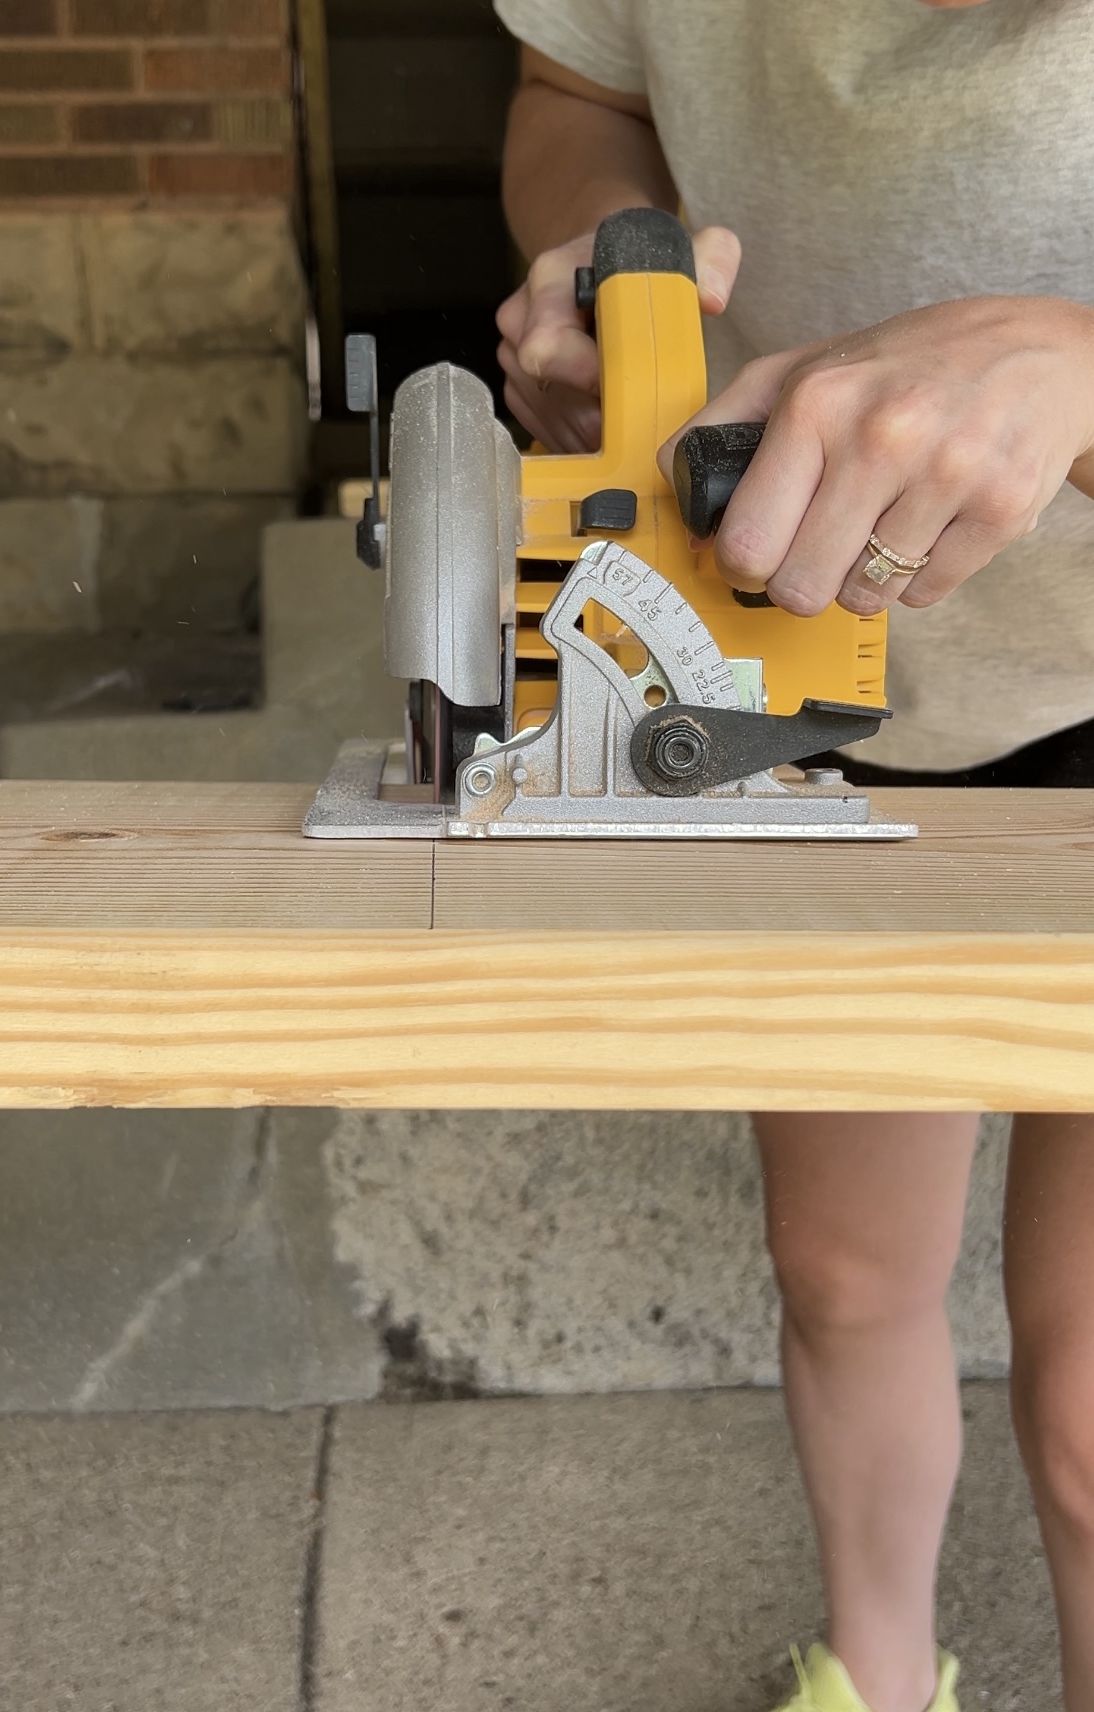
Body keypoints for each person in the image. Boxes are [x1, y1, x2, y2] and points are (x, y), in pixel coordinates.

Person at [490, 6, 1094, 1712]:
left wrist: (1080, 361)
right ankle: (878, 1674)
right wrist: (619, 254)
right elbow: (572, 93)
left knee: (1090, 1412)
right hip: (773, 659)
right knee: (844, 1272)